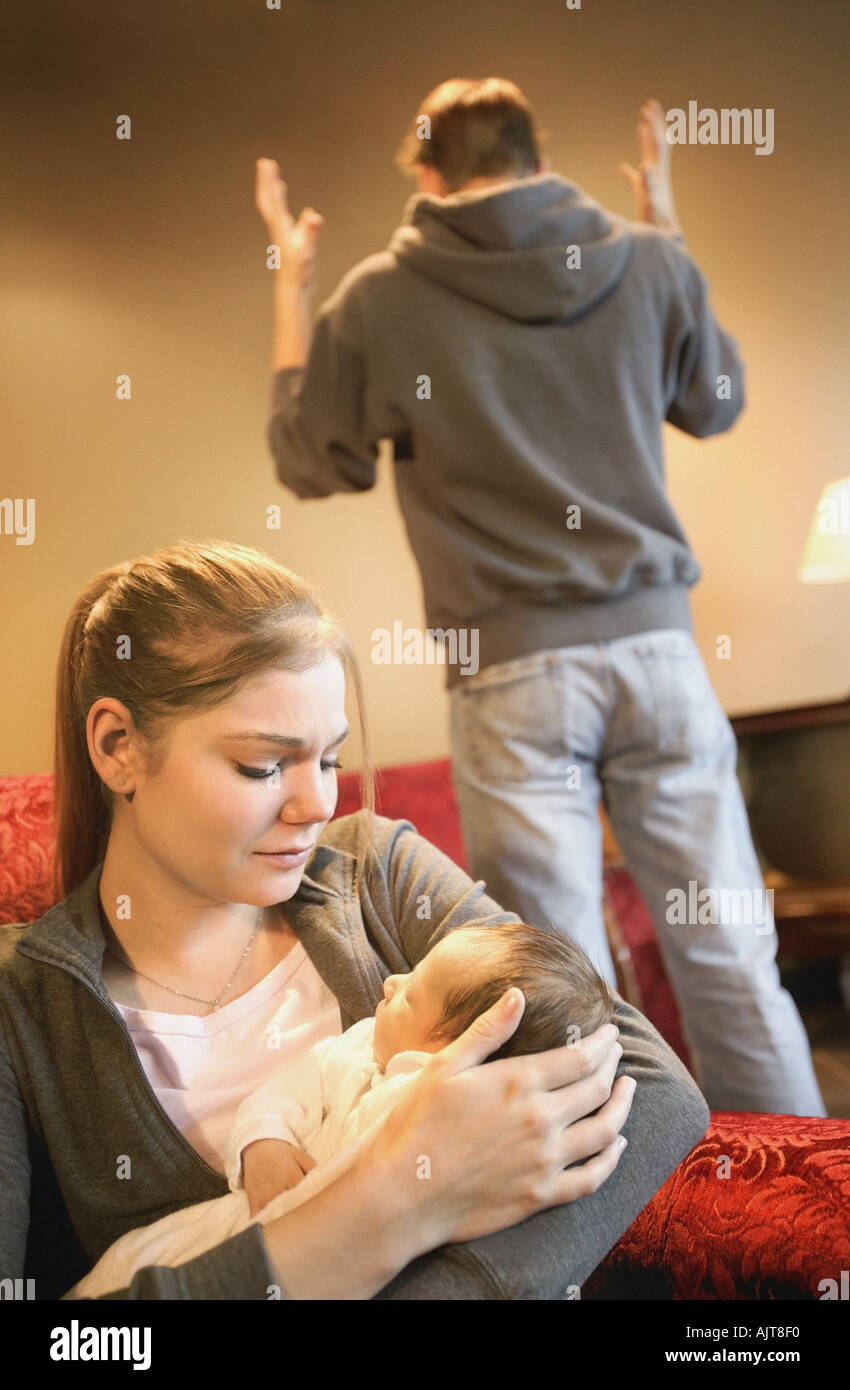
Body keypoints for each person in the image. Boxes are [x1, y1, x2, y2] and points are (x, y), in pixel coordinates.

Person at [257, 79, 825, 1116]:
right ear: (535, 154)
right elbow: (718, 398)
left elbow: (308, 458)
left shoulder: (383, 294)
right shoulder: (644, 260)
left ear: (427, 172)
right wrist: (669, 237)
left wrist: (291, 285)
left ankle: (634, 1241)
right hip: (656, 655)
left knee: (561, 989)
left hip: (511, 674)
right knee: (732, 955)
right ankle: (802, 1230)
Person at [0, 538, 708, 1301]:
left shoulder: (376, 872)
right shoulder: (22, 1006)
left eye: (329, 760)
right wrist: (390, 1204)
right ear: (118, 748)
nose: (318, 806)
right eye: (263, 765)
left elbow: (652, 1085)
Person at [65, 920, 614, 1299]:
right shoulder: (356, 1045)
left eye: (412, 996)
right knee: (129, 1268)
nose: (391, 980)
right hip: (249, 1232)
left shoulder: (482, 1114)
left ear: (463, 1047)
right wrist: (266, 1144)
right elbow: (286, 1092)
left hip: (317, 1258)